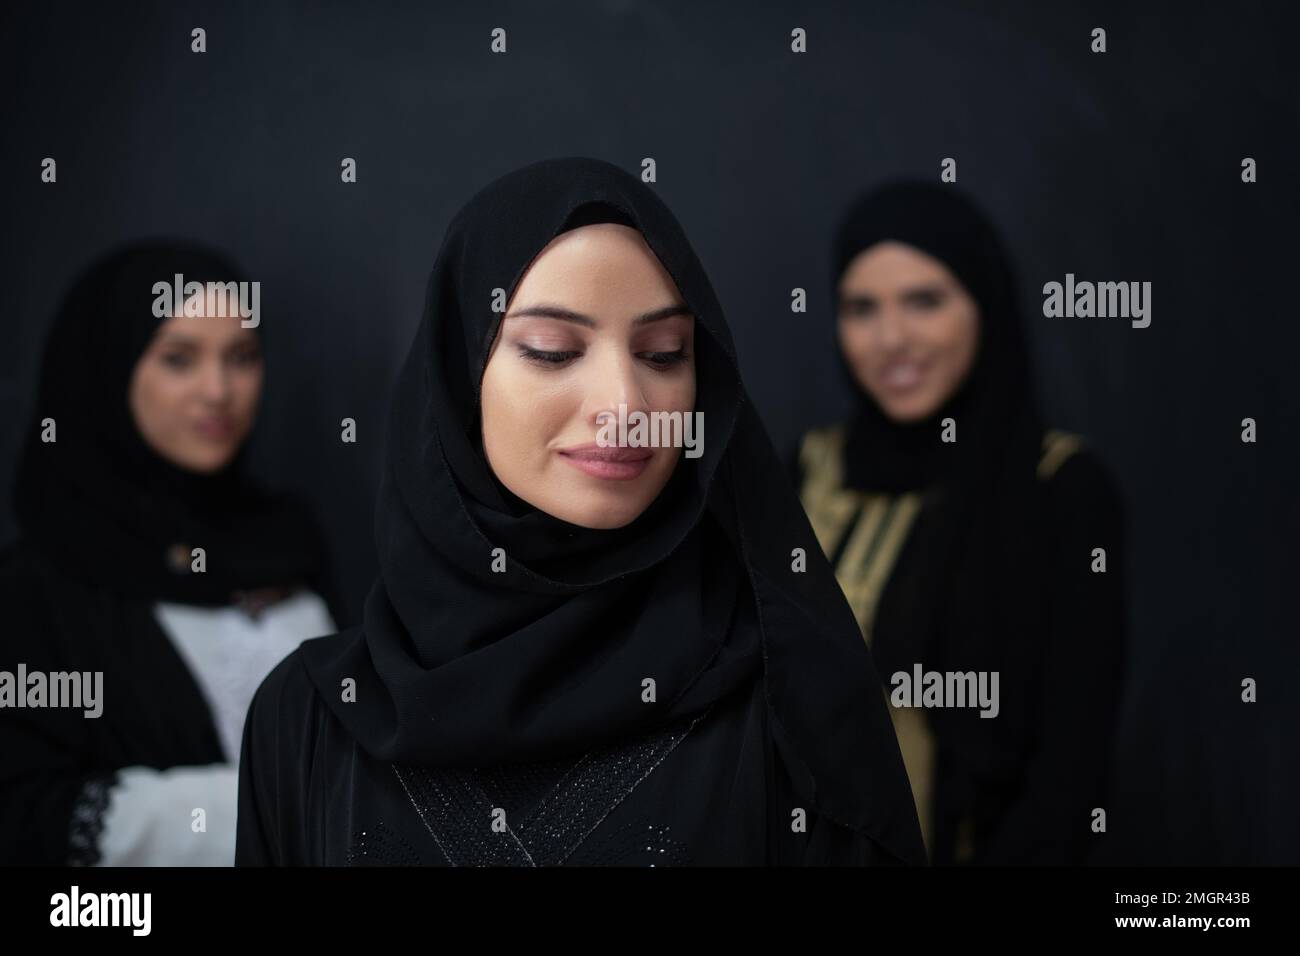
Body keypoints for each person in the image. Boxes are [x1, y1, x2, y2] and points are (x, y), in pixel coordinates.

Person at [235, 157, 925, 867]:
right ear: (457, 377)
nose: (625, 406)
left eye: (663, 354)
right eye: (552, 351)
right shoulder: (308, 717)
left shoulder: (788, 700)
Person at [795, 182, 1127, 864]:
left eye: (925, 300)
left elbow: (1070, 770)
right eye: (862, 308)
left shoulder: (1059, 486)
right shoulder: (811, 469)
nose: (892, 339)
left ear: (985, 304)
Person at [0, 241, 342, 865]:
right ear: (108, 368)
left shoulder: (288, 538)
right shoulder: (37, 588)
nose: (218, 391)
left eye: (241, 358)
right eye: (179, 360)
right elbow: (25, 815)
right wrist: (285, 807)